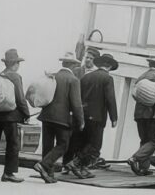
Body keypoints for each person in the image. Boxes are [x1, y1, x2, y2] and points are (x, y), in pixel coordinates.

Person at [33, 52, 85, 184]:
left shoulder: (52, 77)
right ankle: (43, 165)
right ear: (73, 65)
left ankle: (48, 174)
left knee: (47, 145)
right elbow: (76, 104)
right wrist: (81, 121)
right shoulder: (73, 80)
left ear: (63, 63)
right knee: (63, 145)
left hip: (46, 116)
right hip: (62, 119)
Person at [0, 49, 30, 183]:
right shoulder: (15, 76)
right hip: (10, 117)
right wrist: (26, 114)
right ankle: (9, 173)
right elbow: (20, 98)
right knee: (13, 144)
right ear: (16, 63)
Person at [69, 53, 118, 178]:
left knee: (84, 141)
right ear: (109, 66)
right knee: (95, 145)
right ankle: (76, 164)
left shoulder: (86, 77)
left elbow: (78, 96)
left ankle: (82, 169)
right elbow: (110, 99)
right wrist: (114, 118)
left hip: (83, 115)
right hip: (97, 117)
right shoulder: (107, 79)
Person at [127, 59, 155, 176]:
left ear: (149, 64)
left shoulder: (142, 76)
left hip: (139, 114)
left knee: (145, 140)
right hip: (152, 114)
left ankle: (143, 168)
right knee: (154, 140)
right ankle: (135, 158)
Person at [63, 46, 100, 170]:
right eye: (86, 57)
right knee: (73, 138)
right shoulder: (77, 71)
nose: (88, 60)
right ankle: (66, 165)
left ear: (95, 60)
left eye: (91, 58)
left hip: (90, 113)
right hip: (76, 109)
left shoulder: (98, 74)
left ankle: (78, 166)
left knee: (86, 140)